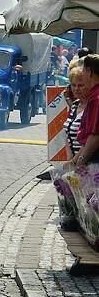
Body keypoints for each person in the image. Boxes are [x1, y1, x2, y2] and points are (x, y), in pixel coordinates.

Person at [59, 64, 87, 229]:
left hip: (85, 162)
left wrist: (76, 160)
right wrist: (70, 158)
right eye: (74, 85)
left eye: (81, 84)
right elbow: (68, 132)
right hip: (74, 161)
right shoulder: (75, 105)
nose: (76, 88)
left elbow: (89, 137)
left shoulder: (91, 106)